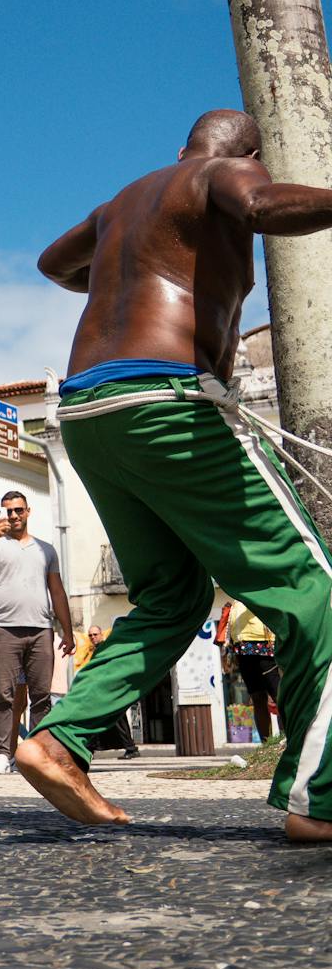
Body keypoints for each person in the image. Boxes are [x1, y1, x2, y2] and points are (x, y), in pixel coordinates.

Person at [18, 108, 332, 842]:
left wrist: (124, 267)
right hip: (167, 403)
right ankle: (319, 801)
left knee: (171, 596)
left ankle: (59, 742)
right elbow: (258, 205)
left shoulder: (120, 204)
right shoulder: (224, 174)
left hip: (91, 413)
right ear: (248, 152)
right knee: (316, 590)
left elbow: (51, 264)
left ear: (180, 147)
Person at [0, 490, 74, 776]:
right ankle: (3, 754)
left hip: (41, 629)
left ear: (28, 512)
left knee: (42, 697)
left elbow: (57, 591)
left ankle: (37, 753)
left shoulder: (46, 549)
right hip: (5, 629)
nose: (13, 516)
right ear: (2, 514)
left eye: (18, 510)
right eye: (8, 511)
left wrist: (67, 631)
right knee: (3, 694)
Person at [220, 599, 282, 742]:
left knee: (278, 695)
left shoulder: (260, 582)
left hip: (265, 643)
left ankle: (288, 740)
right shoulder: (236, 587)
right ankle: (266, 743)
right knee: (257, 696)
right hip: (241, 645)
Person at [74, 623, 138, 758]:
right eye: (90, 635)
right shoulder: (95, 650)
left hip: (111, 690)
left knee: (117, 720)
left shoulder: (105, 648)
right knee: (99, 719)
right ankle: (91, 747)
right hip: (103, 691)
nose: (92, 637)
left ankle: (130, 748)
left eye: (95, 634)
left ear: (101, 634)